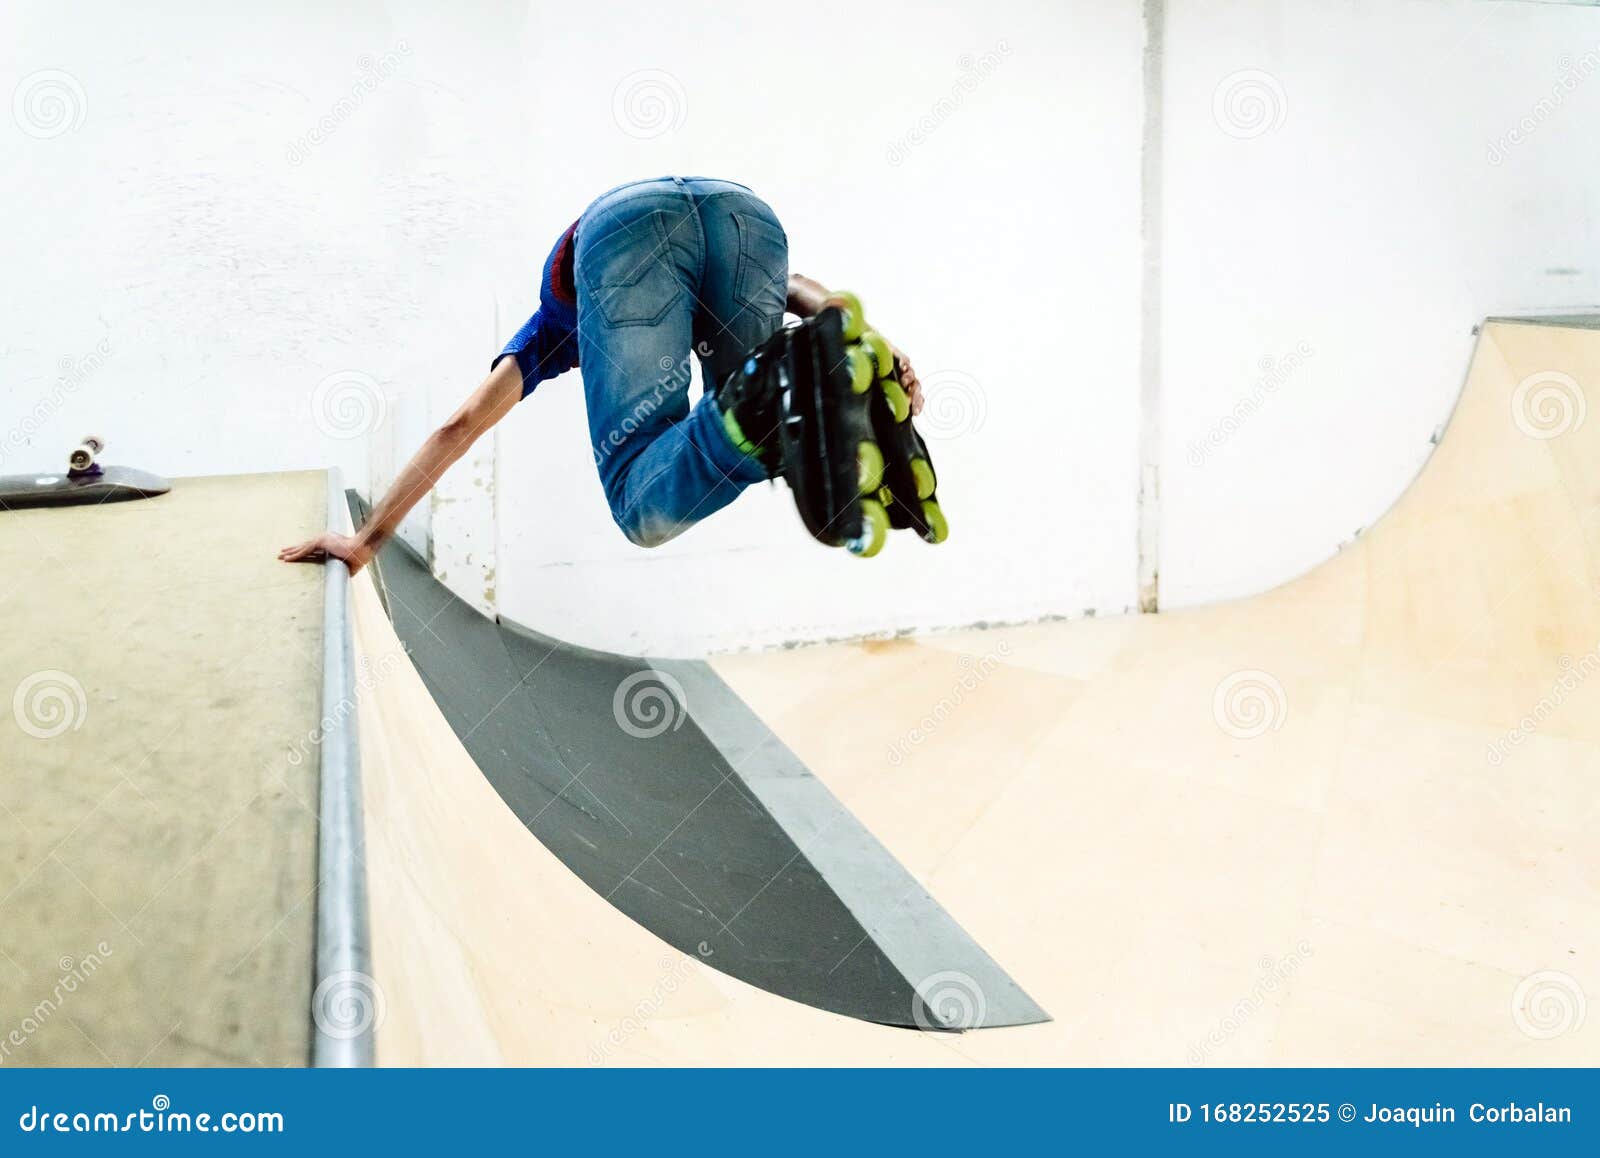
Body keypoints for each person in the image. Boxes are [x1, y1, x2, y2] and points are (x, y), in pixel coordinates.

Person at [280, 176, 923, 574]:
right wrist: (870, 342)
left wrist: (366, 540)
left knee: (643, 504)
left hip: (623, 225)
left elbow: (462, 424)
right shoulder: (566, 333)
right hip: (745, 213)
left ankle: (763, 413)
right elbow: (796, 286)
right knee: (773, 401)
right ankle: (839, 406)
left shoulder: (552, 327)